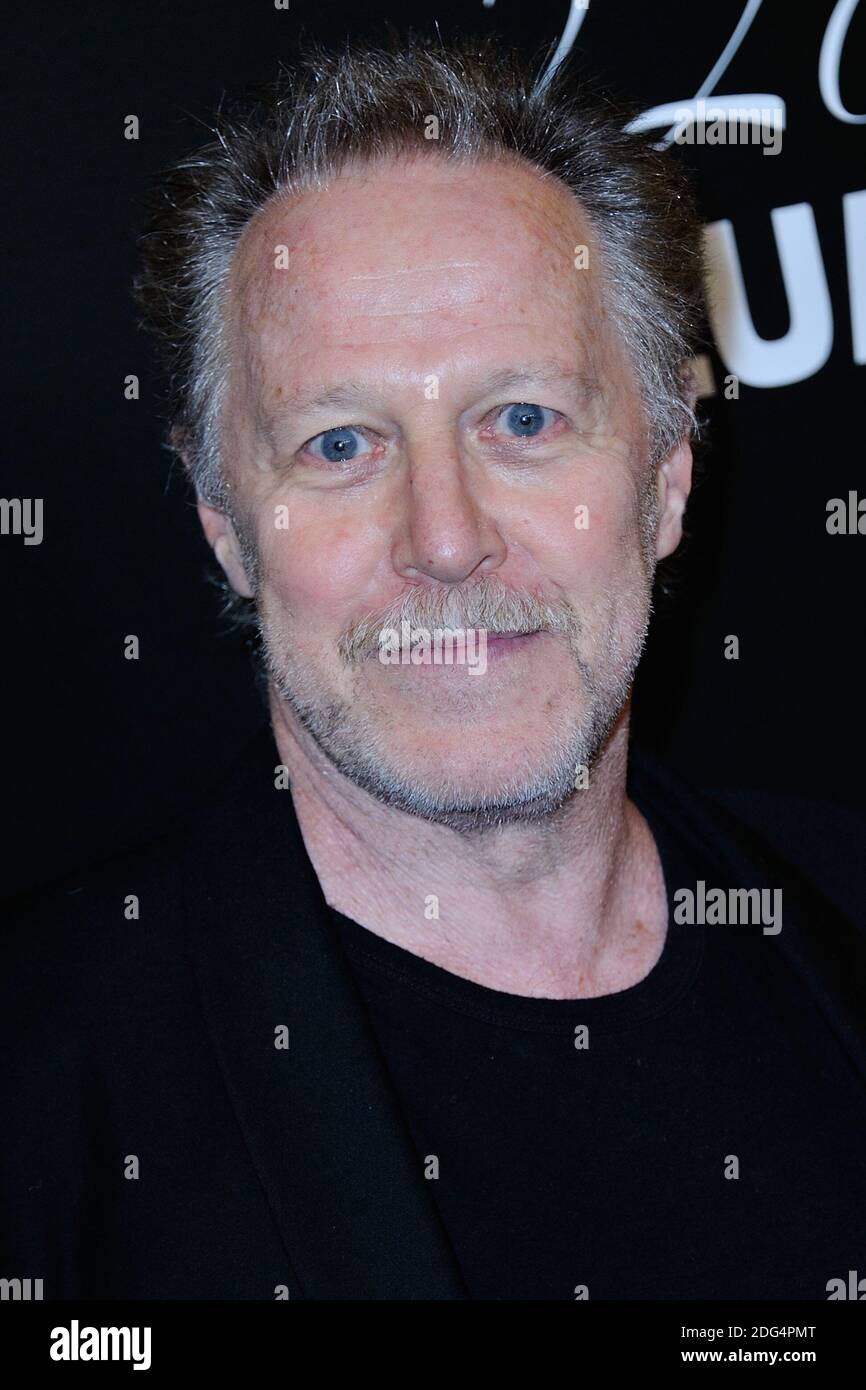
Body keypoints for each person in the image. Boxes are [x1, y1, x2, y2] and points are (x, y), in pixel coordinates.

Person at [2, 32, 865, 1301]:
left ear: (666, 478)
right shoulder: (35, 1082)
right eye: (341, 442)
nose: (446, 538)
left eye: (522, 420)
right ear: (226, 524)